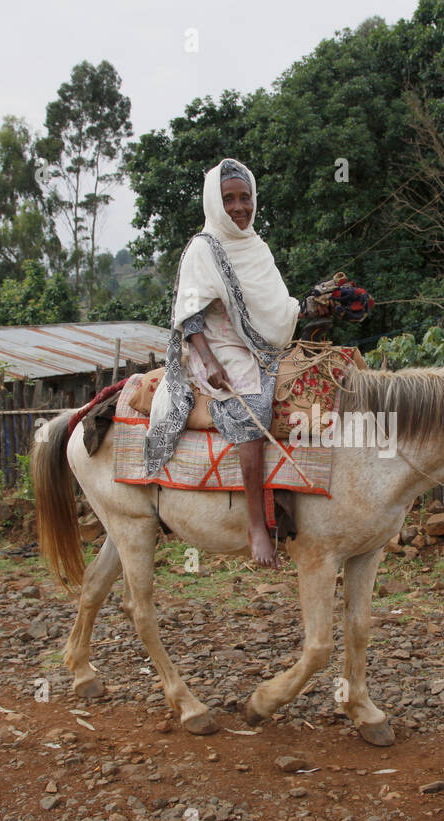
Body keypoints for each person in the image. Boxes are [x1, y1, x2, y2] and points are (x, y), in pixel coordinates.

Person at [143, 158, 324, 568]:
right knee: (255, 402)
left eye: (245, 198)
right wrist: (207, 361)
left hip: (262, 347)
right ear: (214, 203)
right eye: (229, 200)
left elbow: (275, 309)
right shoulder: (202, 248)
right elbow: (189, 315)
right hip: (217, 347)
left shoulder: (257, 247)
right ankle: (257, 525)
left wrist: (308, 308)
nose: (239, 207)